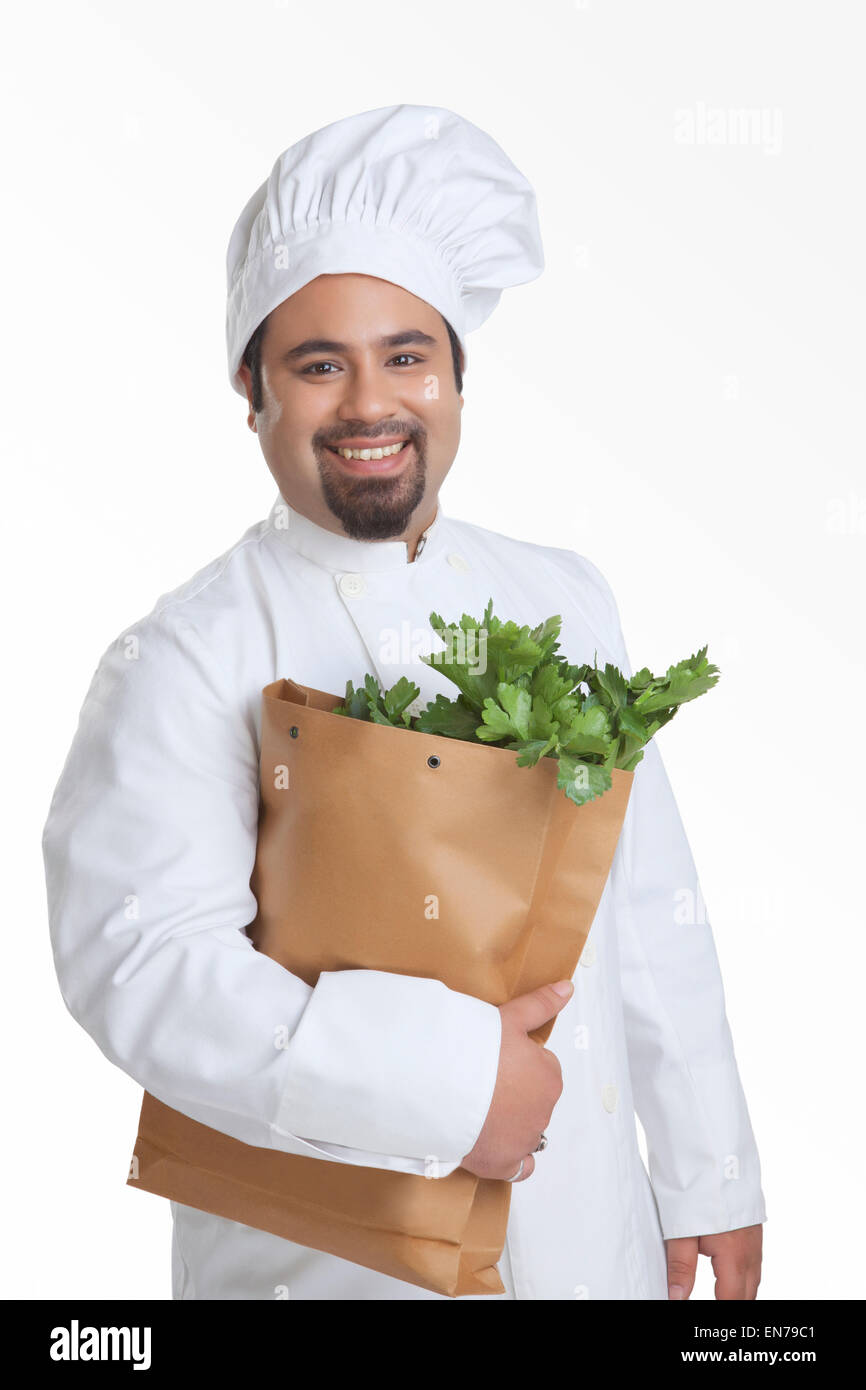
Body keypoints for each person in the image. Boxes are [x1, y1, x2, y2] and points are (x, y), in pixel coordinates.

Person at [41, 104, 766, 1301]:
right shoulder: (184, 655)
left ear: (457, 377)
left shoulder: (564, 596)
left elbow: (643, 908)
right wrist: (448, 1085)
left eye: (405, 355)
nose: (369, 404)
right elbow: (145, 963)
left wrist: (706, 1172)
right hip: (327, 1267)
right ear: (250, 389)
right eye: (317, 364)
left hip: (596, 1245)